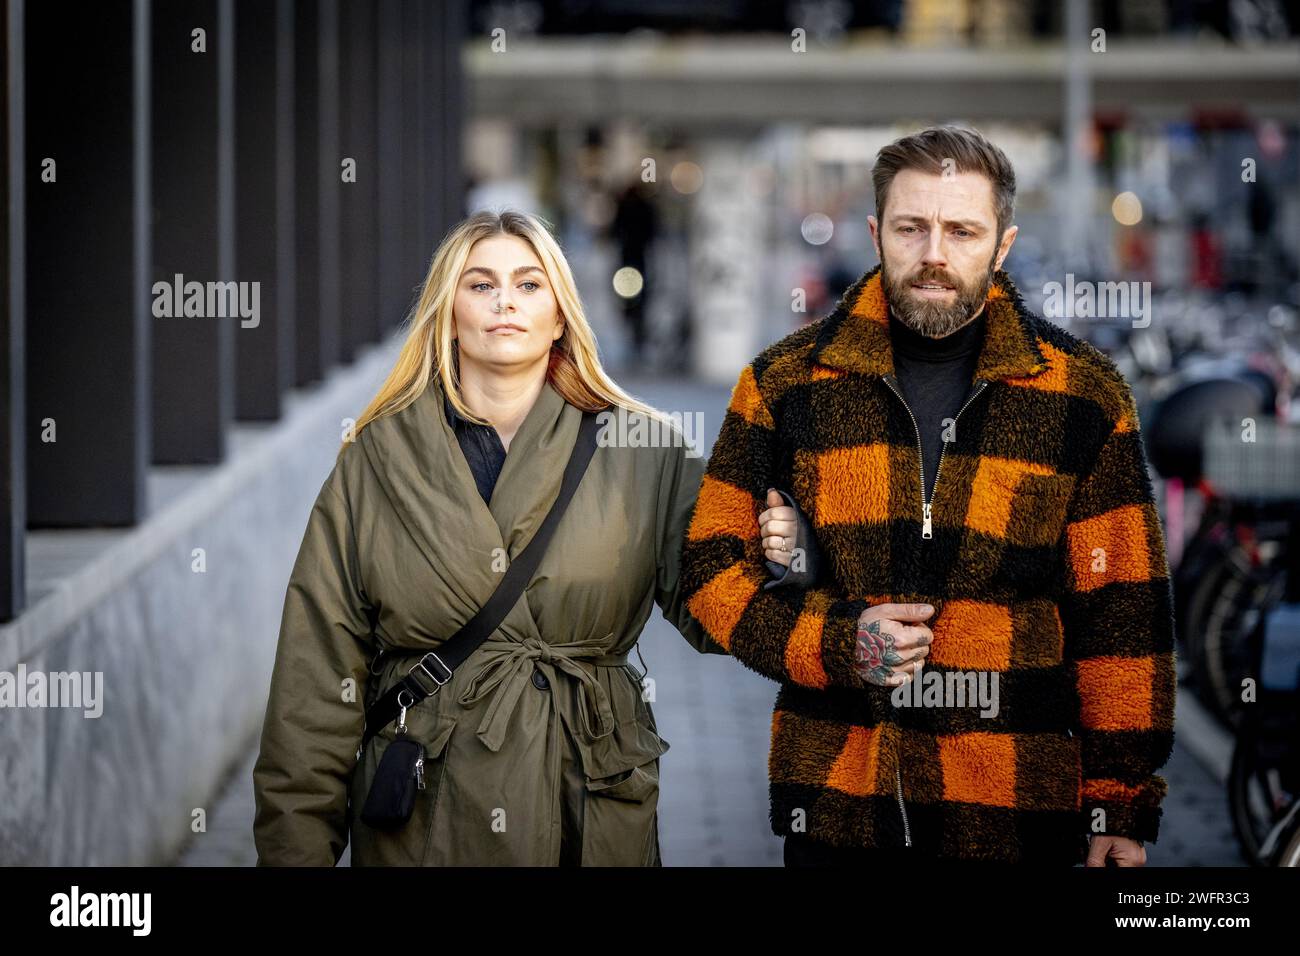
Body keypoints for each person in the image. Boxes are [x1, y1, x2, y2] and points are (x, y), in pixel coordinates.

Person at [679, 125, 1176, 867]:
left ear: (1001, 246)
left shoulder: (1083, 393)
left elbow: (1123, 615)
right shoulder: (784, 385)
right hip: (842, 808)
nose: (935, 254)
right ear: (878, 232)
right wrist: (841, 643)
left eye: (962, 230)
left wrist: (1118, 802)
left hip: (1015, 809)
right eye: (912, 227)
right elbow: (709, 575)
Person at [251, 208, 806, 866]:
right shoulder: (378, 455)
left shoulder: (645, 447)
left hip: (587, 797)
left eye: (529, 284)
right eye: (481, 284)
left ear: (562, 313)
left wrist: (787, 557)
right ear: (446, 310)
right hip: (428, 807)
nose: (505, 302)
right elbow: (314, 674)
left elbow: (714, 611)